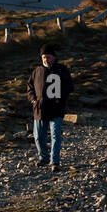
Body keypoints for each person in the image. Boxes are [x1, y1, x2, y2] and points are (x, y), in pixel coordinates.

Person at [27, 43, 74, 172]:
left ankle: (55, 161)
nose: (46, 60)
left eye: (48, 57)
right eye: (43, 57)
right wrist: (33, 101)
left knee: (55, 136)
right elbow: (29, 88)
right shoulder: (37, 71)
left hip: (56, 109)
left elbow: (69, 86)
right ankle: (43, 157)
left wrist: (61, 99)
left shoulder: (62, 69)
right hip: (40, 109)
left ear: (53, 57)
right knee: (38, 136)